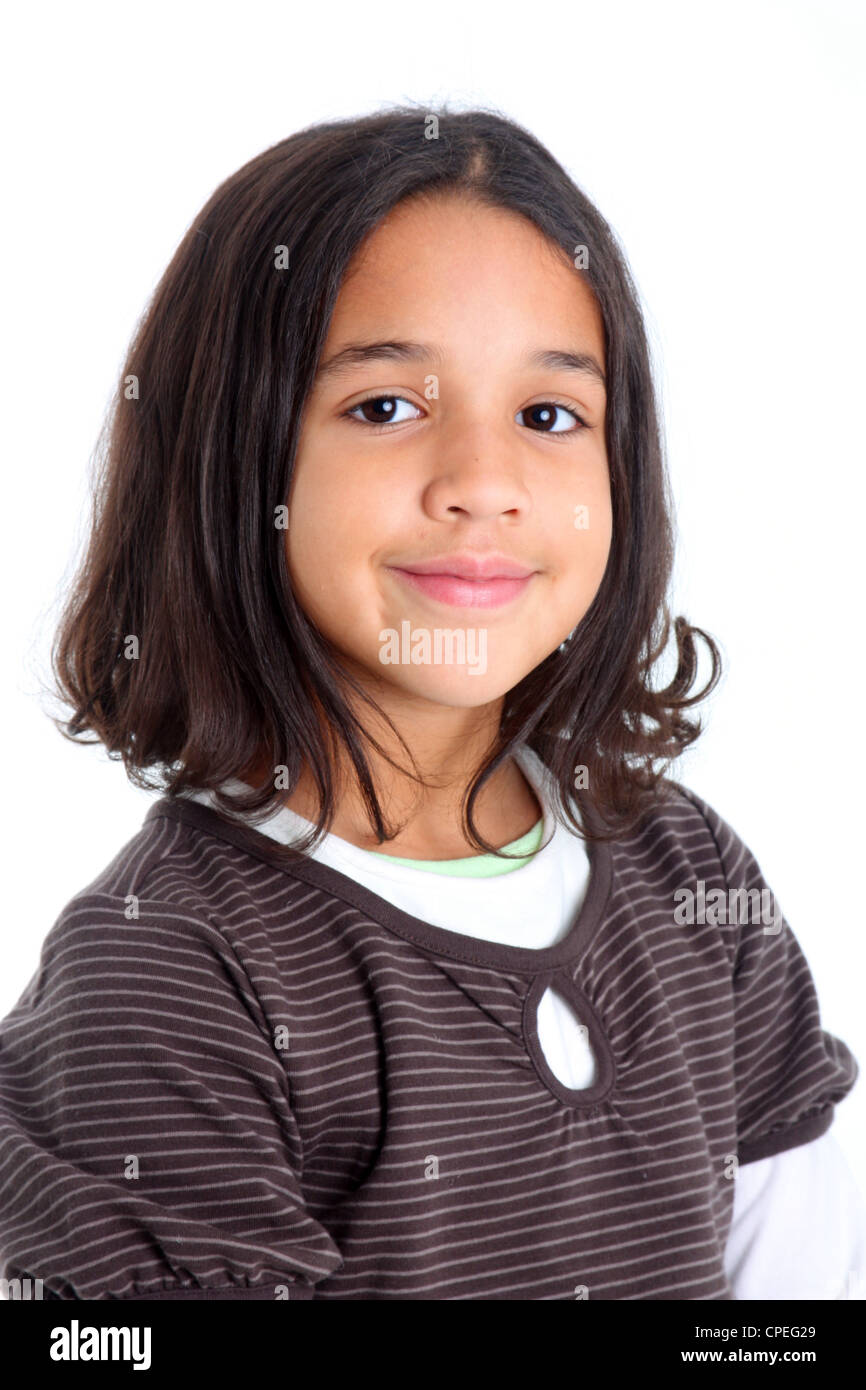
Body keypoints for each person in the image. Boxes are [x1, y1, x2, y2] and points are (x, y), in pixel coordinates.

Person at [1, 105, 862, 1301]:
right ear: (234, 458)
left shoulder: (690, 875)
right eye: (386, 406)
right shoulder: (167, 972)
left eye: (548, 415)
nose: (482, 485)